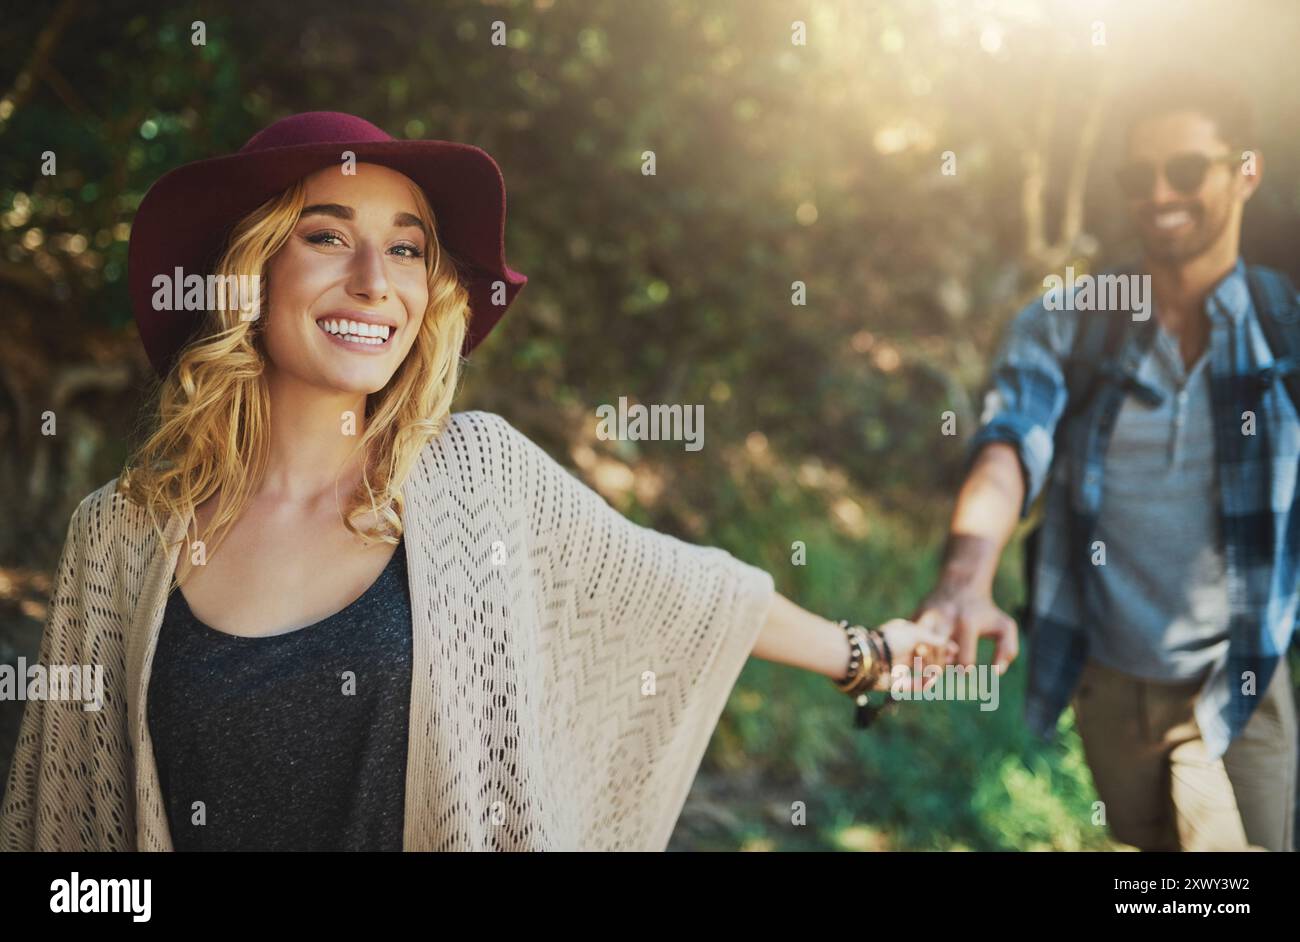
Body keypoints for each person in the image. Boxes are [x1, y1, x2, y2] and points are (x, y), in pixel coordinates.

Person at [0, 112, 951, 852]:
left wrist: (867, 652)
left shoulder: (473, 477)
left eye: (408, 247)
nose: (376, 280)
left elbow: (680, 589)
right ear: (249, 272)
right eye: (327, 237)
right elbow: (70, 841)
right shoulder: (122, 533)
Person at [915, 74, 1299, 851]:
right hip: (1106, 679)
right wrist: (963, 584)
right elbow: (1009, 444)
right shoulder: (1069, 324)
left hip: (1241, 674)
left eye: (1187, 169)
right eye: (1139, 175)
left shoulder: (1285, 329)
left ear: (1245, 171)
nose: (1160, 192)